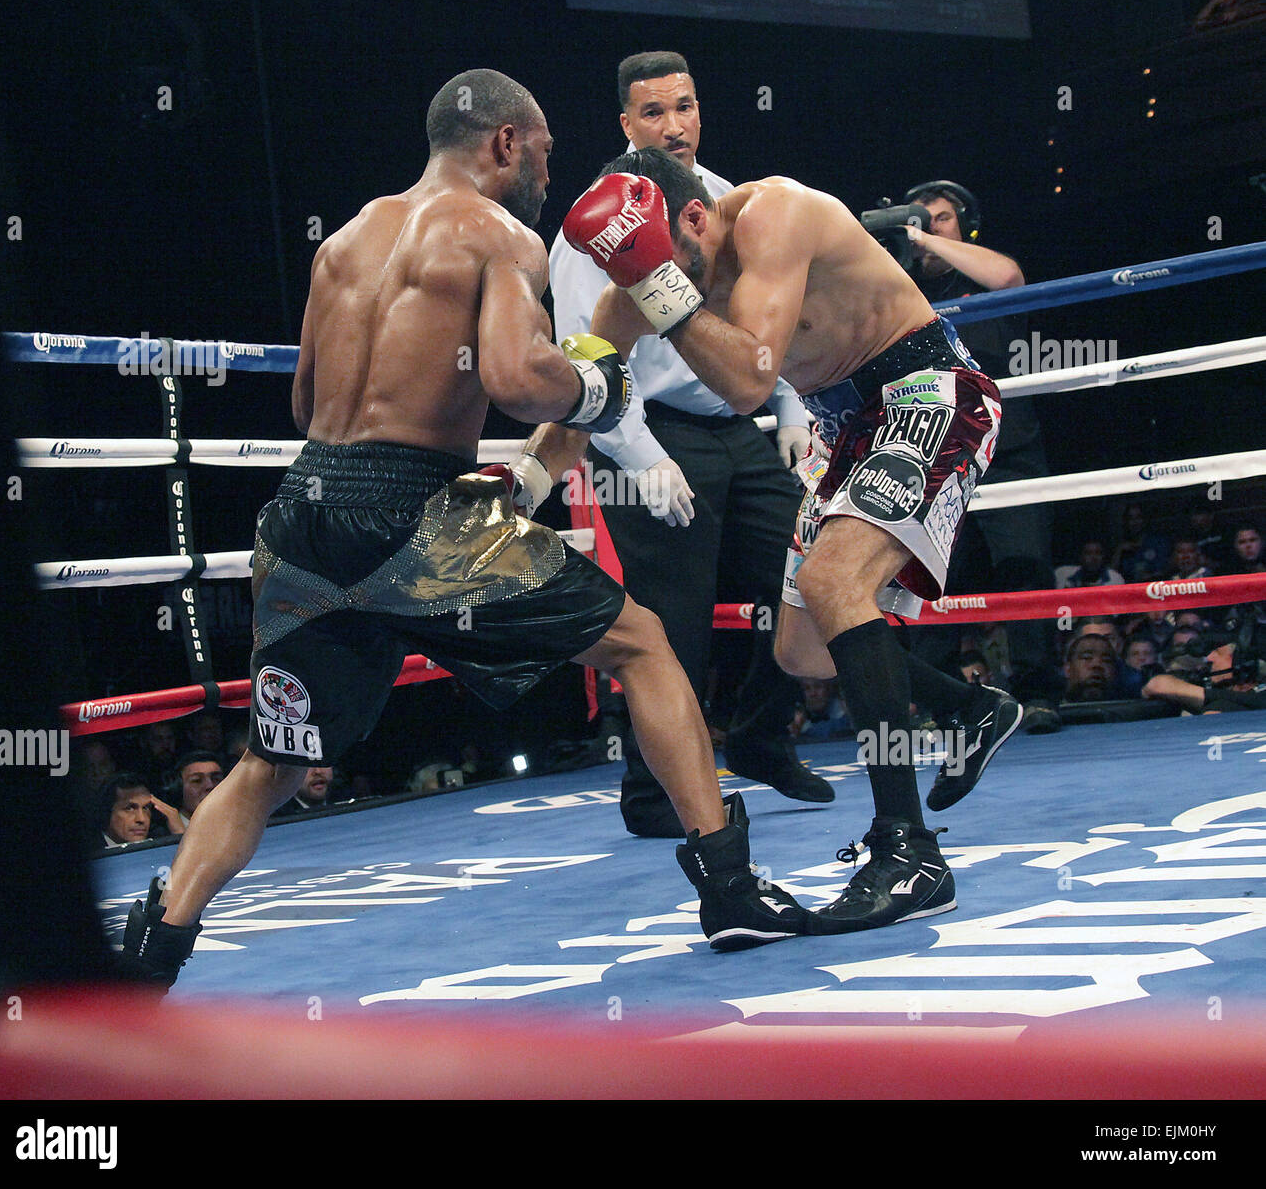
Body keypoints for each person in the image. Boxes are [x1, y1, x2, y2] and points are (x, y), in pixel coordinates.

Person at [119, 70, 808, 989]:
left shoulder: (349, 239)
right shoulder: (500, 235)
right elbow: (519, 379)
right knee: (642, 647)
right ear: (506, 144)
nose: (549, 175)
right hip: (416, 516)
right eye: (547, 154)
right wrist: (598, 388)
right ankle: (729, 888)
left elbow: (302, 400)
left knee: (271, 760)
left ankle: (158, 943)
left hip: (305, 513)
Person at [548, 148, 1025, 934]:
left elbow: (745, 384)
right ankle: (970, 709)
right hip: (847, 426)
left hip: (926, 390)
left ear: (695, 217)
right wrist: (520, 486)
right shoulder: (641, 284)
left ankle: (909, 854)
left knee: (838, 585)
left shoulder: (779, 215)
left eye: (668, 263)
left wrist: (657, 284)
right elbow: (584, 405)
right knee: (803, 651)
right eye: (640, 271)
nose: (661, 285)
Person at [549, 50, 830, 836]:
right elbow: (588, 355)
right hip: (646, 423)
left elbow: (755, 322)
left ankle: (763, 734)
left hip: (737, 422)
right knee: (671, 622)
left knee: (806, 569)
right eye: (653, 112)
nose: (674, 126)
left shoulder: (724, 199)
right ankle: (652, 797)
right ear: (625, 125)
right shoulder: (591, 225)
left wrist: (789, 402)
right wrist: (640, 456)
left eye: (685, 106)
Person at [898, 181, 1057, 718]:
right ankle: (944, 704)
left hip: (1009, 447)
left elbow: (1010, 277)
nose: (929, 226)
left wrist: (927, 238)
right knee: (932, 577)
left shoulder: (984, 276)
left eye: (942, 218)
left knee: (1024, 565)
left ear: (962, 225)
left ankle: (1037, 694)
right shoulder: (901, 289)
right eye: (921, 219)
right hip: (935, 453)